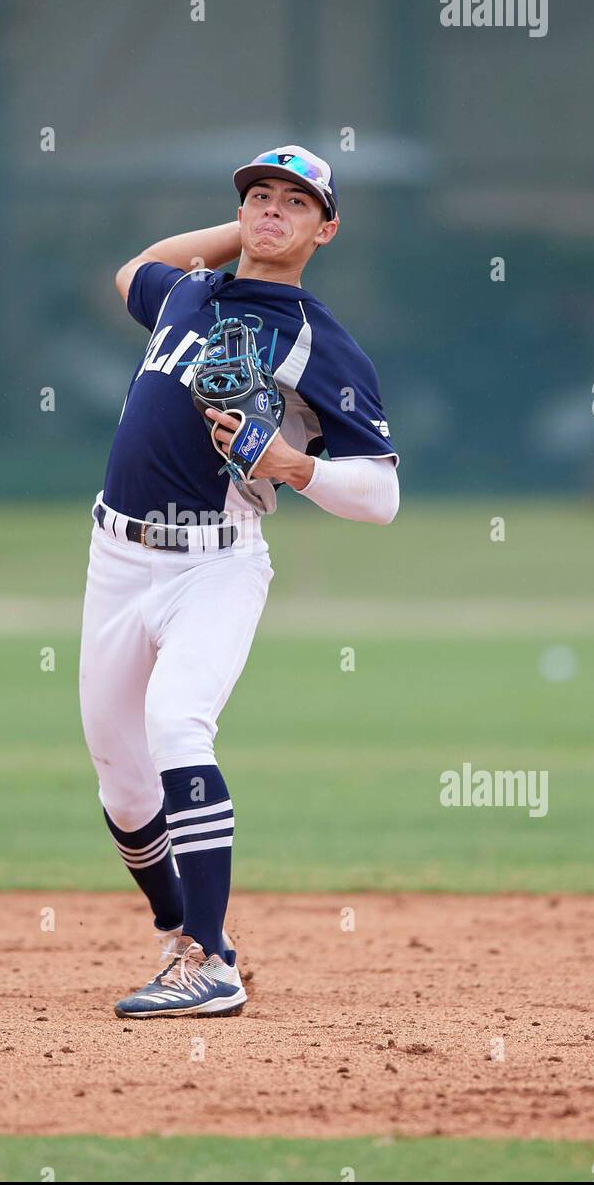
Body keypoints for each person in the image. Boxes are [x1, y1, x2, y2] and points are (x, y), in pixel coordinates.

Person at [79, 145, 400, 1018]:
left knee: (178, 725)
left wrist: (297, 467)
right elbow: (130, 271)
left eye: (295, 203)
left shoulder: (316, 340)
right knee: (122, 784)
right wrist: (244, 238)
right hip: (116, 557)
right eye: (259, 195)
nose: (270, 209)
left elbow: (381, 495)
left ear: (325, 229)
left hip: (214, 562)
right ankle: (178, 932)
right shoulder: (191, 292)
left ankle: (210, 961)